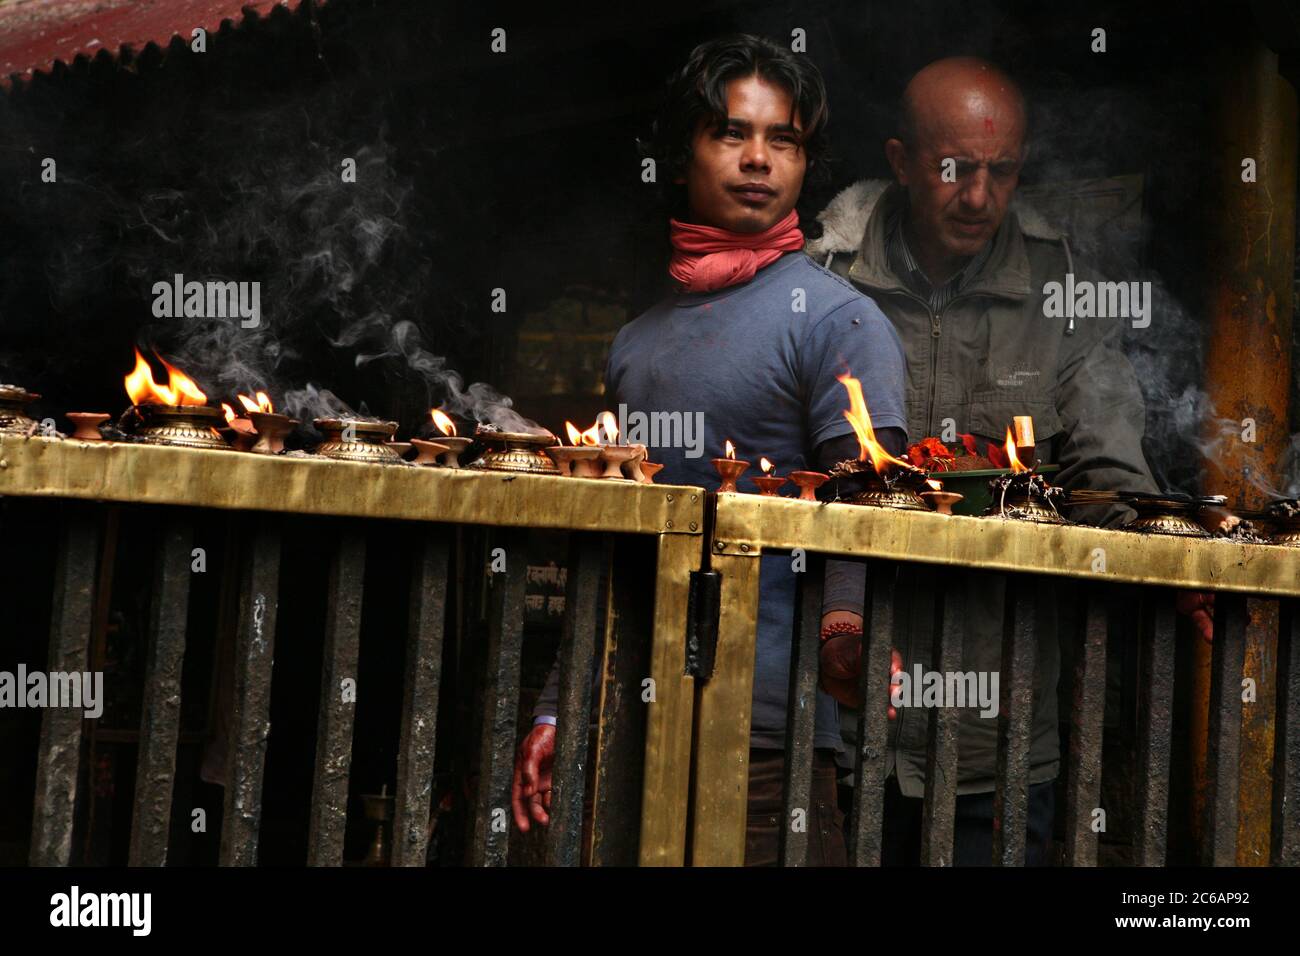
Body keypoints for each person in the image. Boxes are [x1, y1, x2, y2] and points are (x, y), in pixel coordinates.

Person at [511, 33, 909, 866]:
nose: (759, 160)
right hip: (625, 714)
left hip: (769, 731)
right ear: (683, 152)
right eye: (732, 133)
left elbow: (869, 501)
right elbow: (614, 549)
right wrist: (557, 709)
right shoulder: (636, 342)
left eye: (784, 140)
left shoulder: (840, 321)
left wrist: (848, 634)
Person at [805, 56, 1211, 865]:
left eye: (1003, 171)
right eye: (955, 169)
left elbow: (1110, 465)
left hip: (1001, 727)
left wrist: (1173, 559)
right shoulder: (827, 281)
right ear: (900, 160)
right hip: (839, 716)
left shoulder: (1062, 290)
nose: (980, 197)